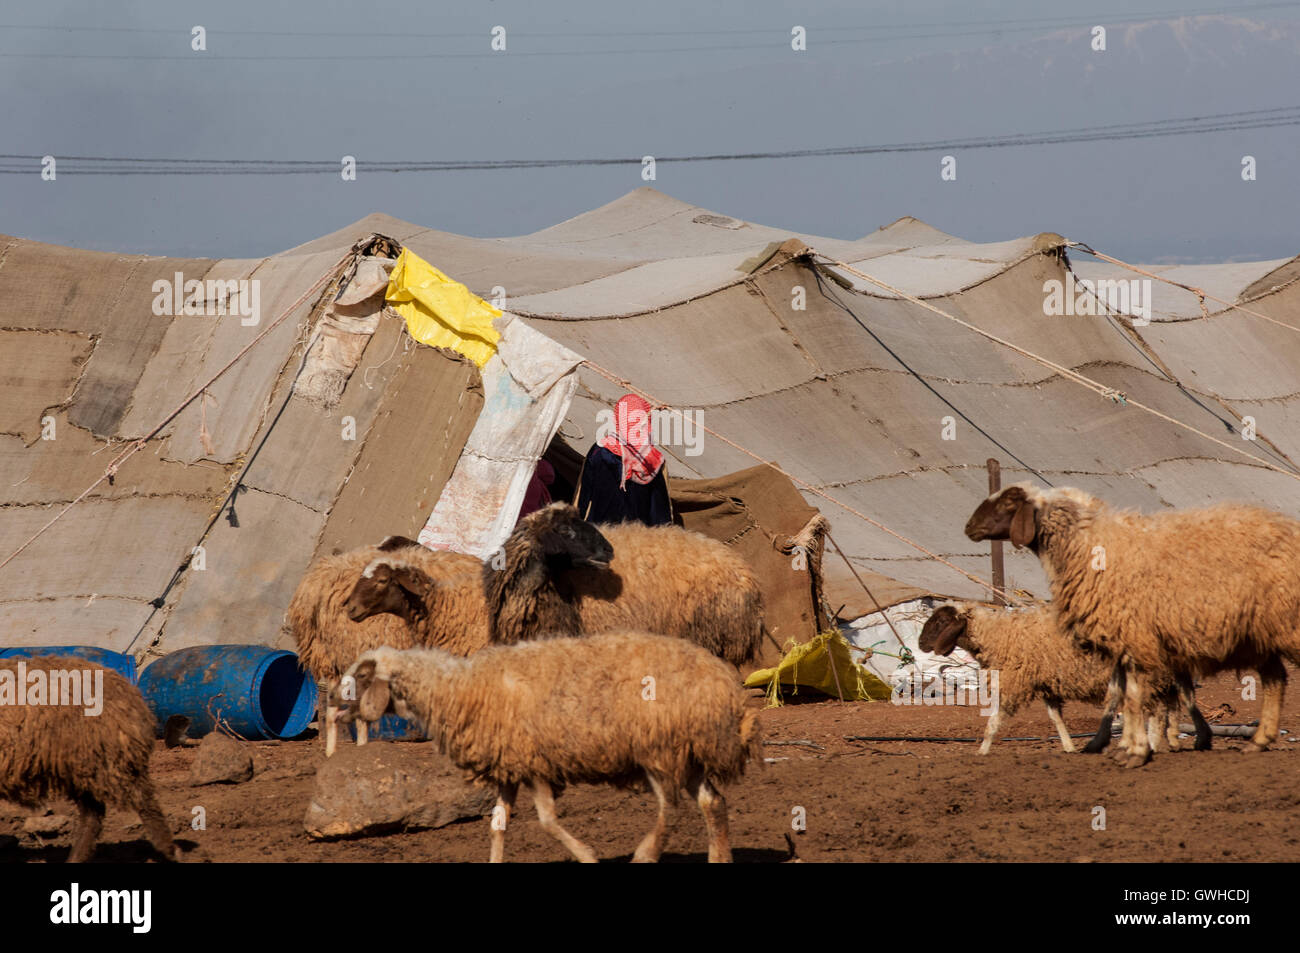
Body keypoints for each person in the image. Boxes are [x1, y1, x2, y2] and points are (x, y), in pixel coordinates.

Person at [574, 394, 672, 526]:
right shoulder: (653, 460)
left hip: (600, 533)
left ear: (618, 418)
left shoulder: (600, 450)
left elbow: (583, 495)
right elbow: (660, 512)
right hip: (635, 539)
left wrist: (576, 523)